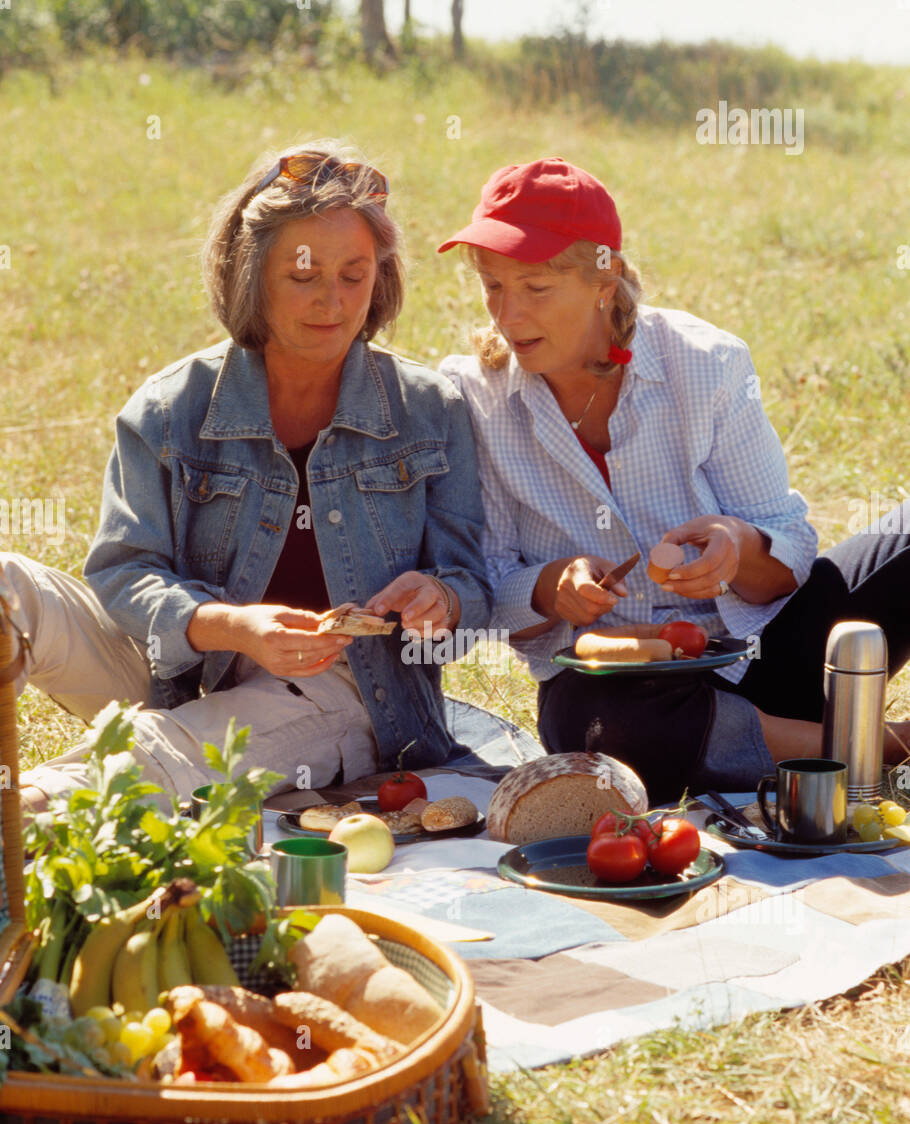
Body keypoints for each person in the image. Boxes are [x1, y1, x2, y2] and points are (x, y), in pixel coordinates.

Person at [9, 140, 491, 813]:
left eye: (354, 275)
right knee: (6, 585)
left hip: (349, 694)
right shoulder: (170, 407)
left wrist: (440, 598)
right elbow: (124, 571)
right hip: (178, 675)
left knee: (166, 751)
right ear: (250, 275)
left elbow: (473, 580)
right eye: (303, 275)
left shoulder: (426, 410)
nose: (332, 300)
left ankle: (26, 807)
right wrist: (231, 627)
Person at [438, 157, 910, 805]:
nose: (508, 314)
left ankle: (782, 742)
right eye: (492, 286)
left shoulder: (706, 363)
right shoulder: (474, 401)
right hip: (623, 696)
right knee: (602, 733)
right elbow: (481, 584)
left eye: (536, 288)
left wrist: (736, 546)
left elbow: (791, 554)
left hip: (764, 660)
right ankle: (877, 744)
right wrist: (550, 587)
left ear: (604, 283)